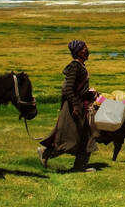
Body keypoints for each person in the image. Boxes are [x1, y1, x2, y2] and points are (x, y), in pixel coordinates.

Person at [37, 39, 98, 172]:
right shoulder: (75, 67)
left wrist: (90, 94)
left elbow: (78, 90)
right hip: (72, 109)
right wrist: (75, 106)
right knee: (69, 138)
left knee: (86, 137)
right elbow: (69, 89)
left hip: (81, 107)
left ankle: (79, 166)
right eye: (84, 48)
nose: (86, 50)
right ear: (78, 52)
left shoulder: (81, 67)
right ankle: (45, 153)